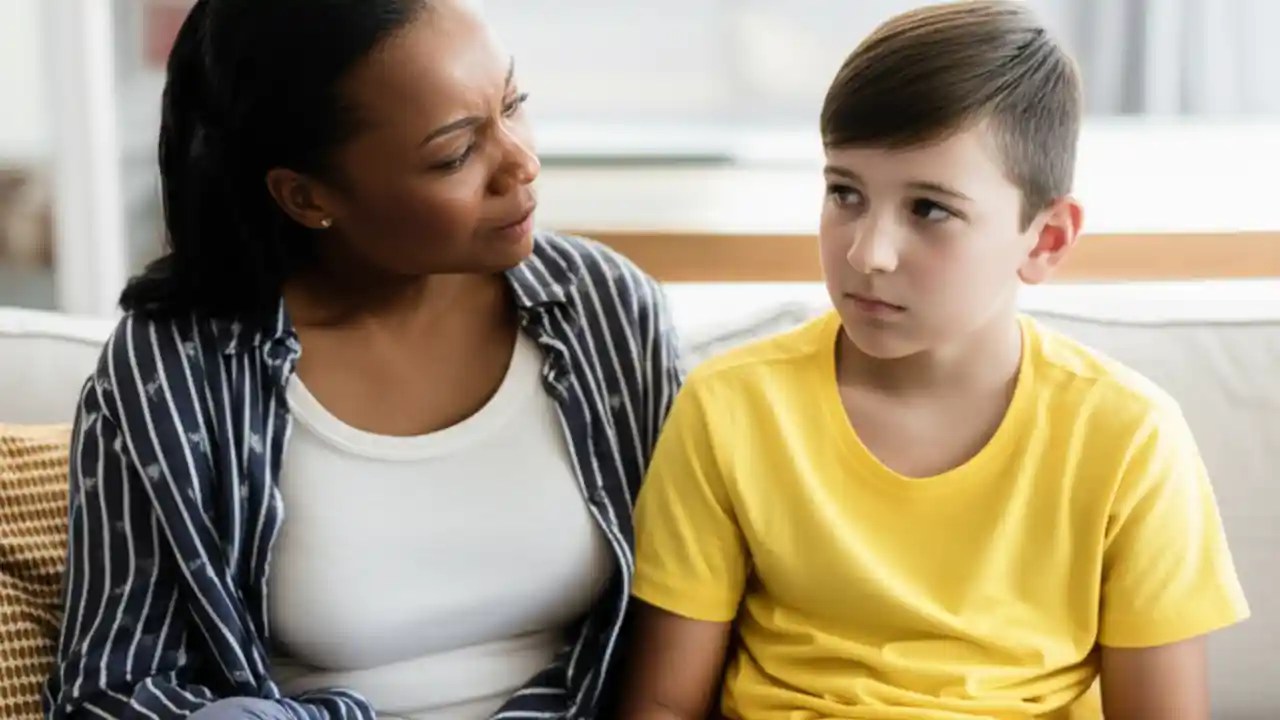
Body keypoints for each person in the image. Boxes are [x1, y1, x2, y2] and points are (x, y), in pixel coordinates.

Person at [44, 1, 681, 718]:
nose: (522, 163)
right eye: (455, 154)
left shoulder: (603, 309)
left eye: (513, 103)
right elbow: (111, 691)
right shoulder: (173, 374)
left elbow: (708, 595)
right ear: (306, 195)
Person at [619, 2, 1250, 719]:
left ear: (1044, 240)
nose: (866, 253)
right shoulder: (730, 406)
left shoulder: (1129, 436)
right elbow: (663, 706)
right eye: (844, 193)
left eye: (929, 209)